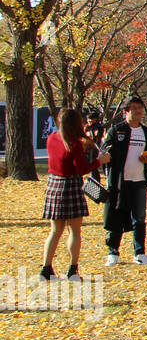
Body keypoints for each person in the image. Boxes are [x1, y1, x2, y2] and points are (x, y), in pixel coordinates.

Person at [39, 108, 111, 281]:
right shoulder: (75, 143)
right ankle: (72, 269)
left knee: (55, 231)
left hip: (53, 184)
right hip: (70, 184)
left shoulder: (51, 139)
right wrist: (99, 161)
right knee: (75, 230)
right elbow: (81, 169)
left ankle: (46, 268)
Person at [101, 96, 147, 266]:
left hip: (138, 181)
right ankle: (113, 252)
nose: (138, 111)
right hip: (119, 182)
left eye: (140, 107)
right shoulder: (116, 131)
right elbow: (105, 154)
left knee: (139, 217)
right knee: (115, 216)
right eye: (134, 108)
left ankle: (139, 253)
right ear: (125, 111)